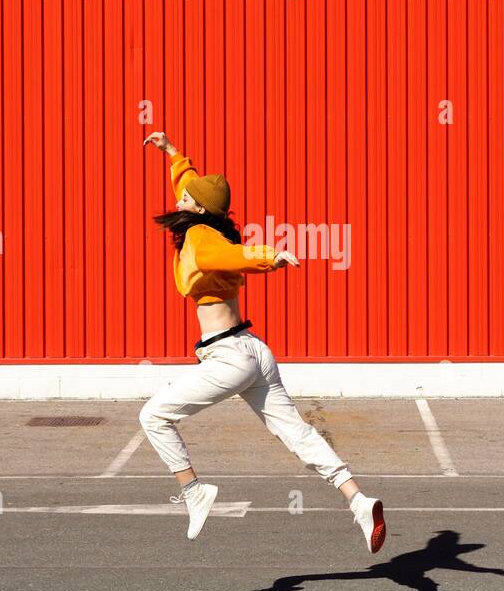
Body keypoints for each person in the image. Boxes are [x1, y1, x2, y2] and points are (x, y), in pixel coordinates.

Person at [139, 130, 386, 553]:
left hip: (227, 356)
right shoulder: (212, 225)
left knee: (154, 417)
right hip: (254, 350)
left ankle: (194, 491)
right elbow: (193, 187)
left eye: (185, 199)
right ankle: (358, 500)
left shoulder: (202, 238)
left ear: (198, 209)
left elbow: (225, 257)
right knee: (298, 433)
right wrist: (174, 153)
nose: (177, 200)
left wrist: (268, 254)